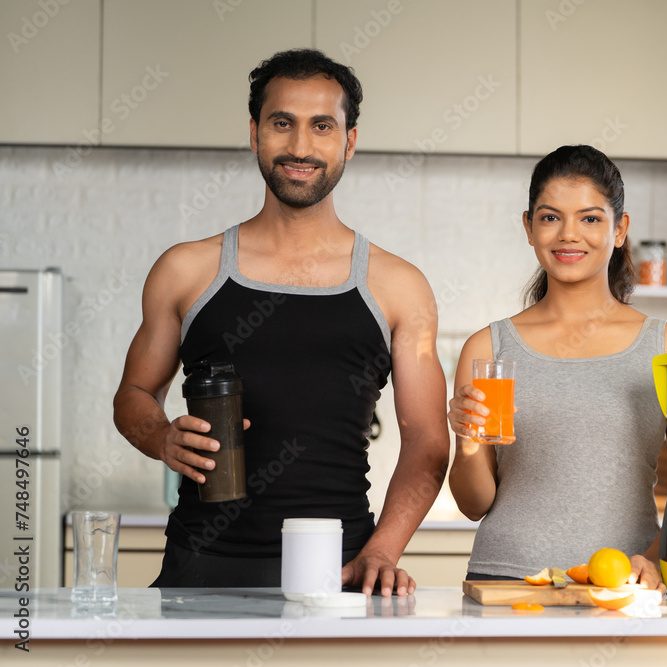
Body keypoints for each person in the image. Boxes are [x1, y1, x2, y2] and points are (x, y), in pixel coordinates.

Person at [113, 49, 450, 596]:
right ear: (254, 133)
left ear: (350, 140)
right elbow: (132, 393)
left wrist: (383, 551)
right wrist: (161, 437)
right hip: (200, 569)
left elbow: (428, 442)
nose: (300, 147)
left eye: (322, 126)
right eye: (281, 123)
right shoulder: (185, 270)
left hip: (339, 573)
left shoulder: (398, 287)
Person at [447, 145, 667, 589]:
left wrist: (651, 561)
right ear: (529, 227)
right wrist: (466, 442)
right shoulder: (489, 348)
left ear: (620, 229)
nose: (568, 235)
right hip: (507, 578)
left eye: (591, 218)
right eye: (550, 217)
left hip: (623, 582)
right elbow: (474, 503)